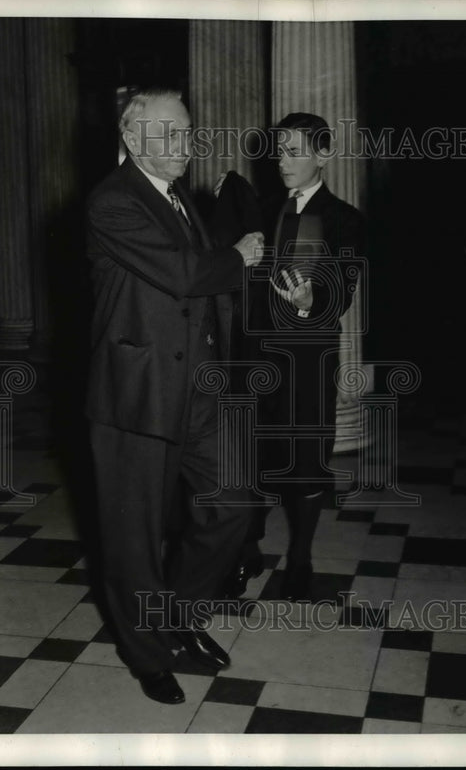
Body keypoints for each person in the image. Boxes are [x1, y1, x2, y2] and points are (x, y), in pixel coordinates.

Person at [85, 88, 264, 705]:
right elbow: (185, 274)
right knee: (133, 538)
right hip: (136, 395)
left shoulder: (176, 193)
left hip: (197, 387)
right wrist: (237, 257)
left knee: (234, 501)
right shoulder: (112, 201)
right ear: (133, 139)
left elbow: (199, 293)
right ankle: (148, 655)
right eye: (170, 133)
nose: (186, 144)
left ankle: (177, 618)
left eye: (188, 132)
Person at [219, 112, 366, 602]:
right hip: (255, 358)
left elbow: (340, 291)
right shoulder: (261, 211)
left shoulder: (344, 218)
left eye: (296, 151)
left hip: (305, 361)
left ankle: (301, 557)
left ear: (323, 155)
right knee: (251, 458)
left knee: (305, 461)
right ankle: (247, 552)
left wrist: (310, 303)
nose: (285, 161)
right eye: (281, 150)